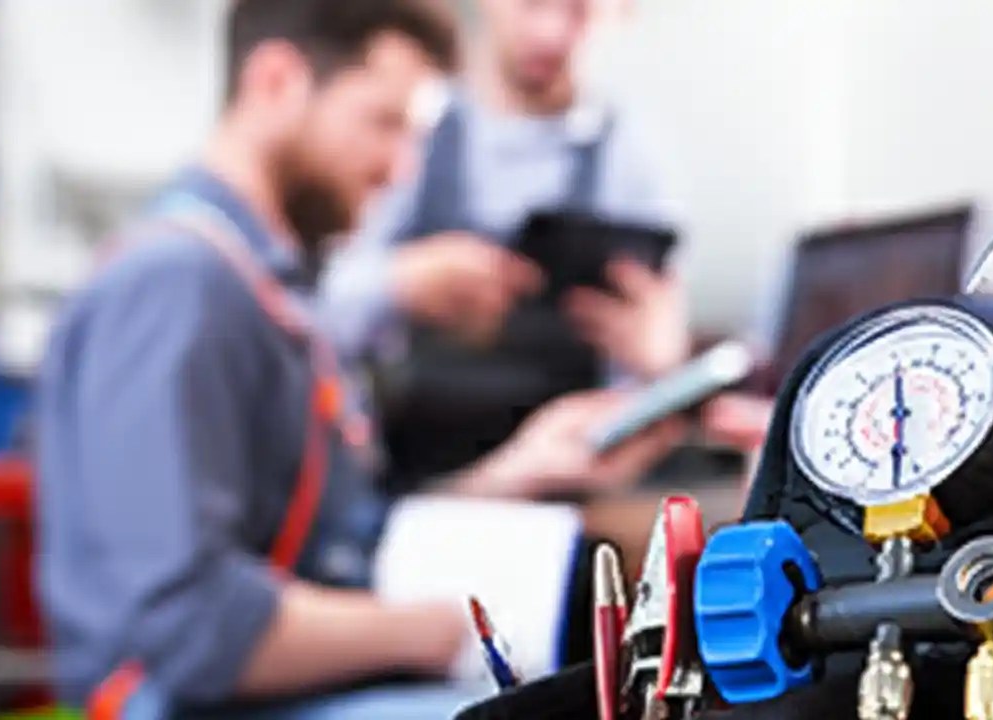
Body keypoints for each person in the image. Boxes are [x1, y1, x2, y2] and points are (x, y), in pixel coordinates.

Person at [34, 1, 682, 718]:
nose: (399, 167)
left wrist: (513, 472)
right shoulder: (175, 286)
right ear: (277, 80)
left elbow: (343, 551)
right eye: (383, 123)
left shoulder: (268, 292)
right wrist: (435, 631)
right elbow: (195, 628)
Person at [318, 0, 691, 492]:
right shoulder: (409, 131)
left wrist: (660, 364)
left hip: (568, 481)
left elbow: (648, 378)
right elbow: (313, 308)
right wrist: (401, 281)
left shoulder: (630, 165)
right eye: (534, 4)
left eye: (580, 11)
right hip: (414, 484)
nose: (553, 32)